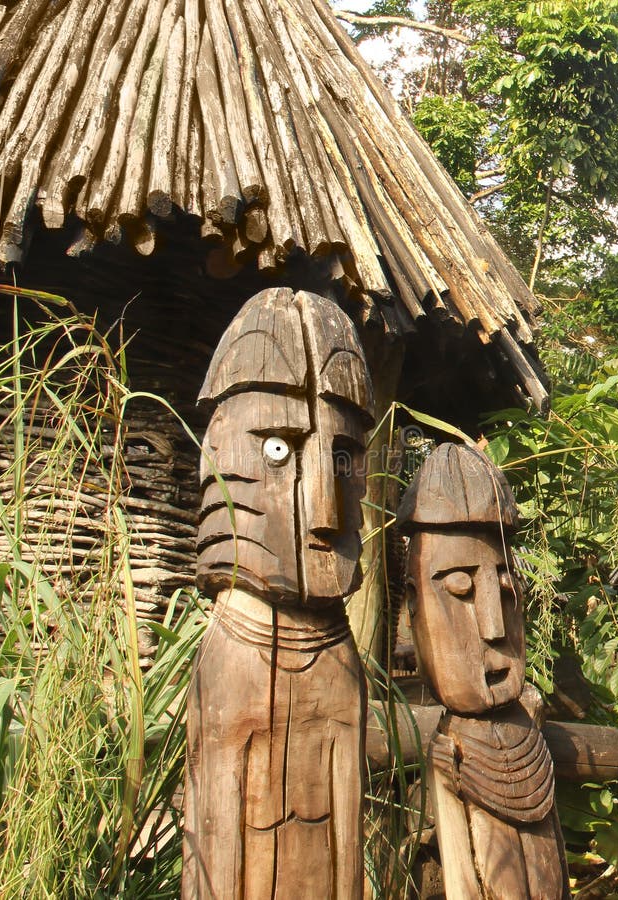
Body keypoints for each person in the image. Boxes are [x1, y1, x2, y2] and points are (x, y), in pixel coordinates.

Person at [182, 287, 373, 899]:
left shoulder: (342, 661)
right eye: (278, 449)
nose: (325, 511)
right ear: (219, 451)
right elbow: (214, 842)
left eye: (344, 460)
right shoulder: (228, 656)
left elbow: (349, 851)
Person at [397, 443, 570, 899]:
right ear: (414, 603)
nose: (494, 627)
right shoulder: (445, 750)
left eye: (507, 589)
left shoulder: (529, 718)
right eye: (461, 588)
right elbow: (461, 874)